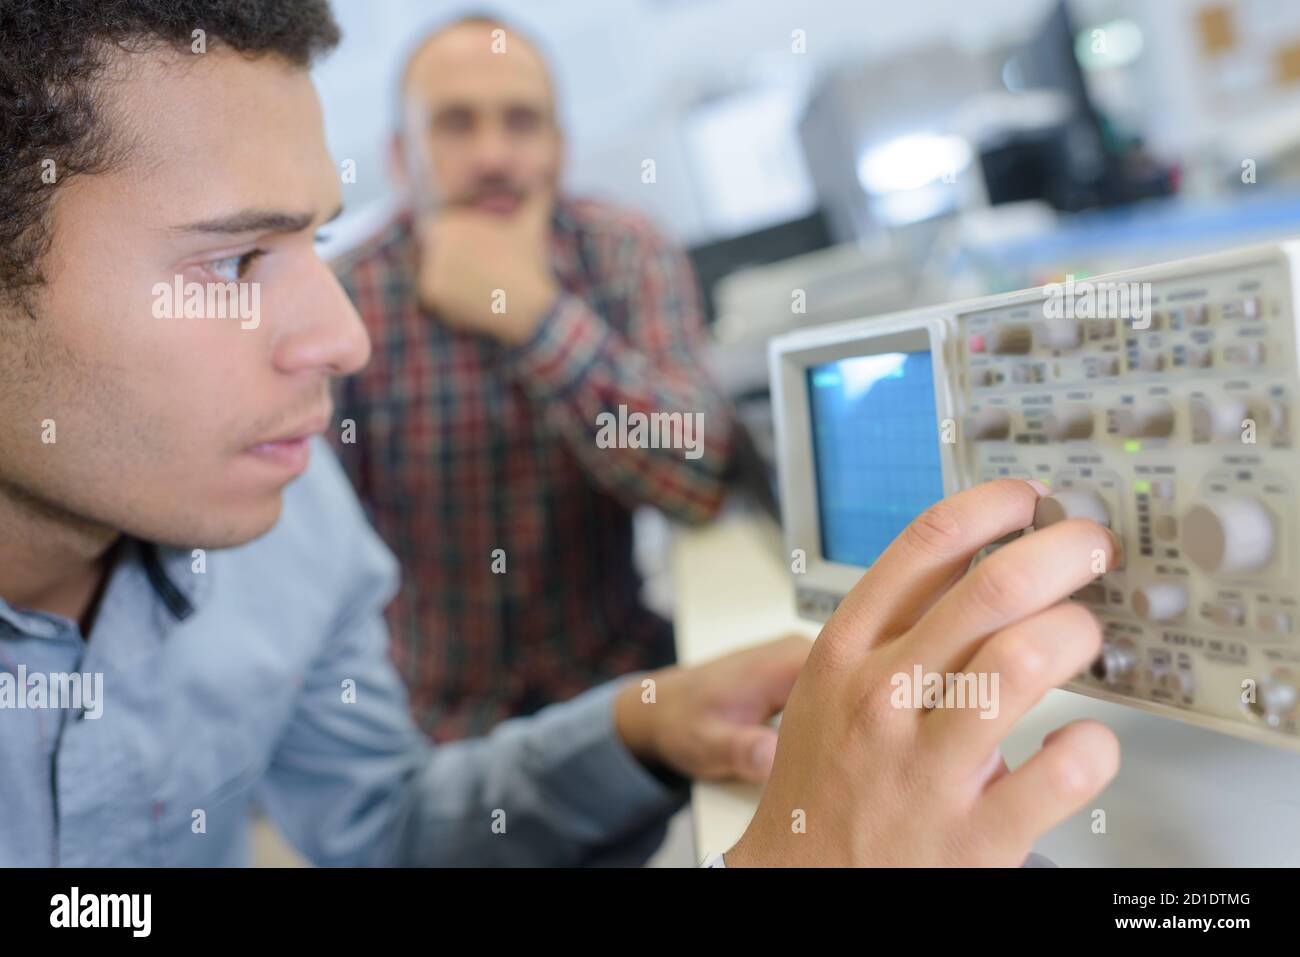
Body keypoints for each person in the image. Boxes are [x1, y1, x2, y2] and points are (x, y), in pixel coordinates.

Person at [0, 0, 1118, 868]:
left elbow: (383, 833)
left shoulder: (290, 518)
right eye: (234, 262)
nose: (339, 342)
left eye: (309, 244)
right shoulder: (314, 391)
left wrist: (636, 723)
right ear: (409, 158)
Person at [331, 15, 734, 739]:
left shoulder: (623, 253)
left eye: (522, 122)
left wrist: (533, 317)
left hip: (623, 693)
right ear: (400, 156)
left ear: (559, 146)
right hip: (439, 726)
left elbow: (699, 479)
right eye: (455, 125)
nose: (493, 156)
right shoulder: (345, 302)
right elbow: (309, 568)